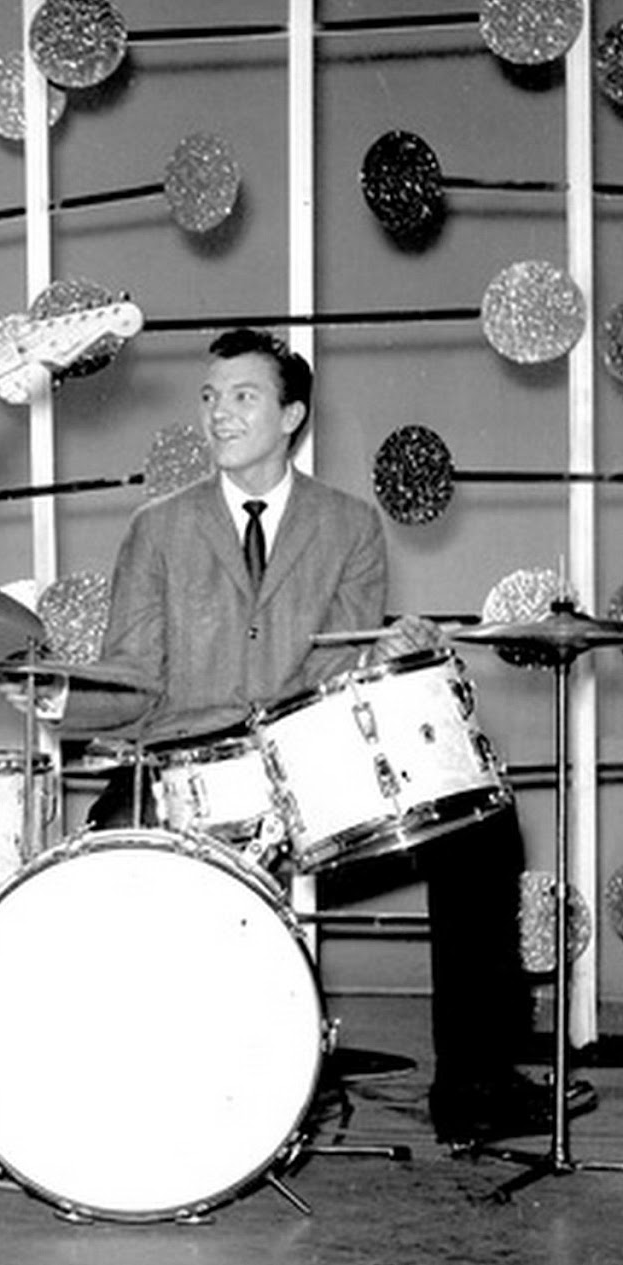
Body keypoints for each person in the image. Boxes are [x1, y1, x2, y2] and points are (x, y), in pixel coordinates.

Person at [52, 328, 593, 1147]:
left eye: (242, 396)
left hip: (307, 773)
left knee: (480, 825)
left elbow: (340, 667)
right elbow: (131, 670)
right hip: (189, 765)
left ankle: (474, 1085)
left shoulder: (351, 525)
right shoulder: (157, 528)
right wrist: (60, 697)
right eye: (210, 396)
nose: (220, 413)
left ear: (291, 413)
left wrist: (386, 654)